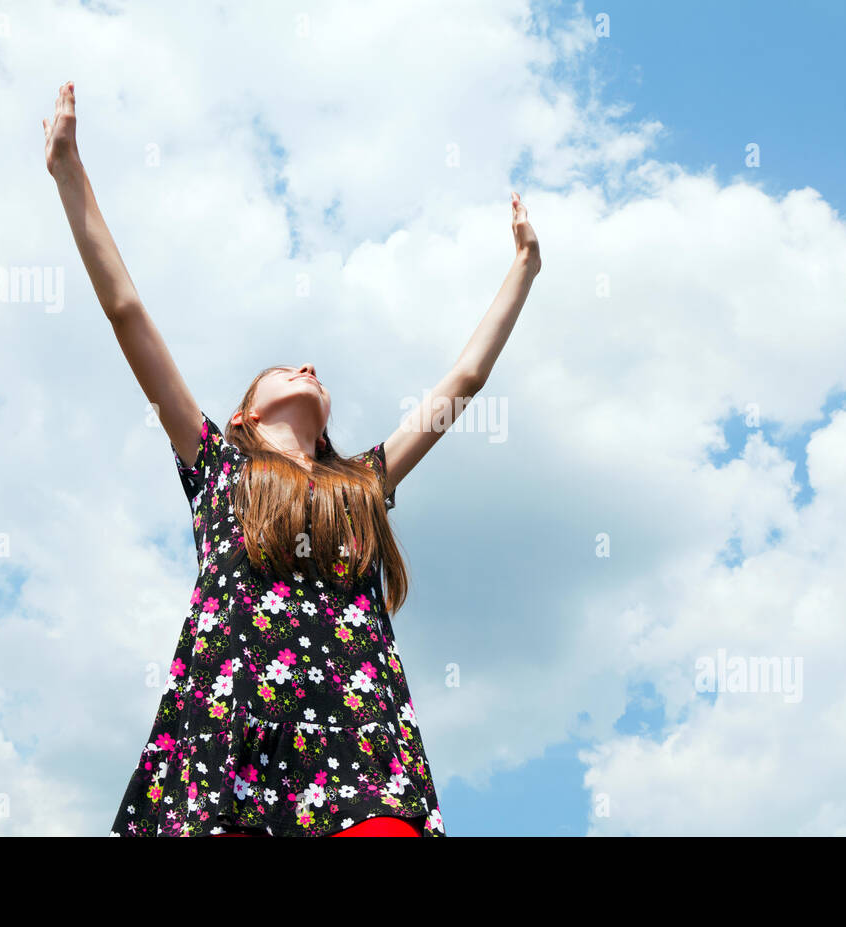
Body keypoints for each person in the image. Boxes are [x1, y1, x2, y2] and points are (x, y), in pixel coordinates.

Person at [41, 81, 541, 836]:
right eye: (283, 368)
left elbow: (463, 382)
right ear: (244, 412)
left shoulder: (361, 482)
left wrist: (524, 271)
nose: (306, 365)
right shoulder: (216, 463)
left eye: (314, 370)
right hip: (234, 741)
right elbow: (127, 312)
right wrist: (70, 175)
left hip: (360, 752)